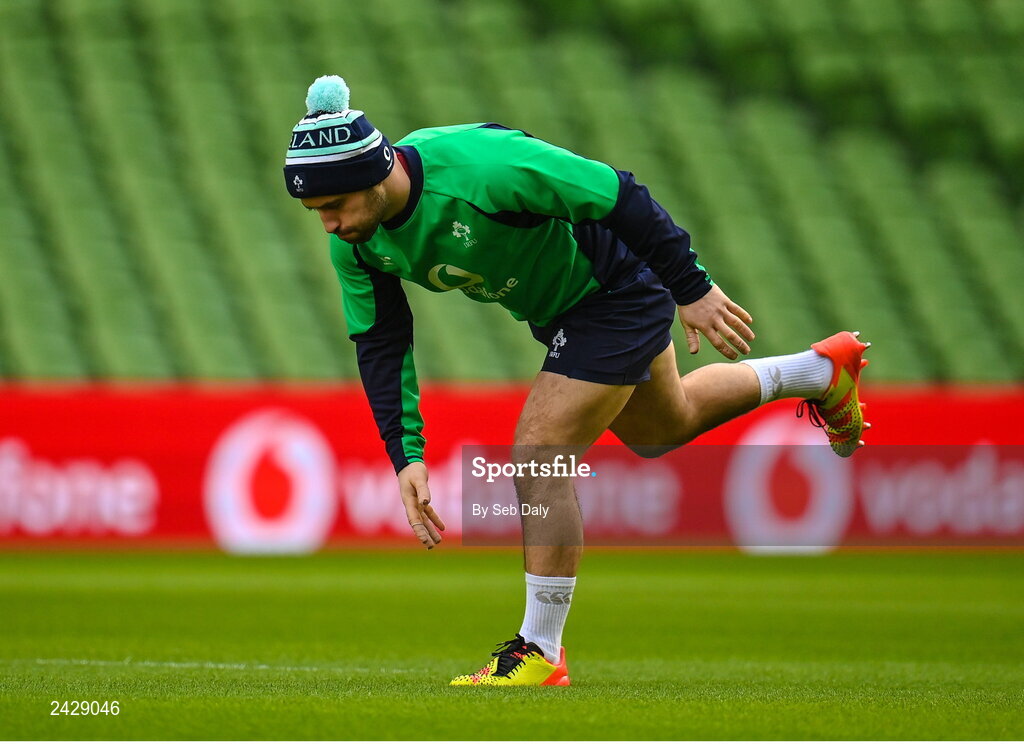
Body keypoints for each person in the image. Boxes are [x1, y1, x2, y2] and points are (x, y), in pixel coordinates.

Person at [283, 76, 871, 686]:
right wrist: (404, 454)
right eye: (315, 212)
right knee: (664, 428)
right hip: (563, 311)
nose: (327, 224)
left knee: (539, 452)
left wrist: (690, 289)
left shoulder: (479, 167)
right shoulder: (356, 244)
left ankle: (540, 650)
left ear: (374, 175)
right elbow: (380, 340)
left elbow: (617, 192)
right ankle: (819, 371)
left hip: (617, 288)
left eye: (334, 206)